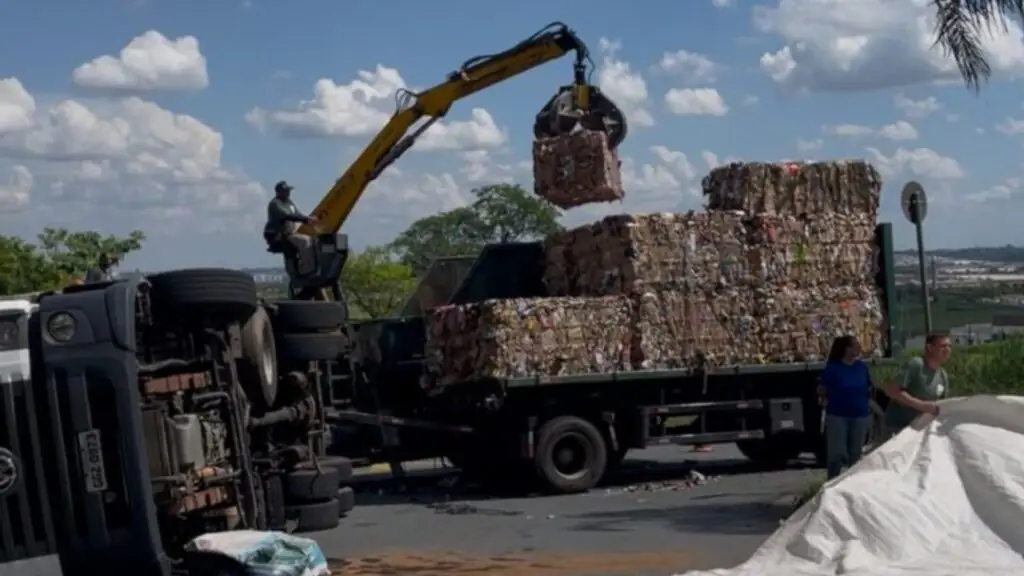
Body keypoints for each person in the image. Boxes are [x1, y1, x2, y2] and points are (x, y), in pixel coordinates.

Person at [818, 335, 873, 480]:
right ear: (846, 349)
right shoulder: (833, 369)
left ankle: (852, 484)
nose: (858, 348)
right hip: (838, 416)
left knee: (855, 454)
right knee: (836, 453)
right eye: (854, 346)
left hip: (859, 415)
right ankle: (832, 481)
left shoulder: (861, 367)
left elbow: (868, 390)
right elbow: (822, 389)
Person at [883, 332, 951, 439]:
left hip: (918, 433)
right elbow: (891, 390)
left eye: (949, 346)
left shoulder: (943, 376)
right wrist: (921, 405)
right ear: (930, 348)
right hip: (897, 429)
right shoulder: (916, 365)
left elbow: (941, 406)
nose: (947, 350)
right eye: (943, 346)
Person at [264, 180, 318, 276]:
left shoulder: (289, 202)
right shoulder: (275, 204)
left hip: (292, 230)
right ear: (278, 192)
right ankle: (306, 271)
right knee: (306, 241)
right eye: (285, 191)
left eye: (288, 190)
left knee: (315, 238)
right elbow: (288, 216)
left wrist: (308, 219)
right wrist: (305, 219)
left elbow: (297, 214)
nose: (288, 193)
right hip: (282, 234)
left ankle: (310, 263)